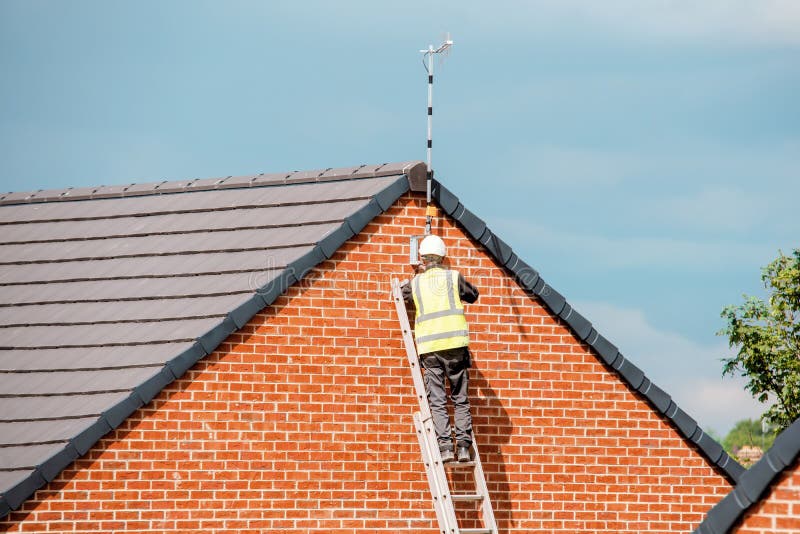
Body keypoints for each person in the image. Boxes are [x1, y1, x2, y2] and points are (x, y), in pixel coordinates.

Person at [402, 234, 479, 463]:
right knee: (460, 398)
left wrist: (414, 276)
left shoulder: (415, 283)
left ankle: (445, 448)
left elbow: (403, 295)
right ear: (443, 256)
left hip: (430, 350)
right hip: (455, 348)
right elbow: (473, 295)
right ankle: (463, 447)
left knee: (437, 399)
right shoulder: (453, 277)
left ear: (422, 259)